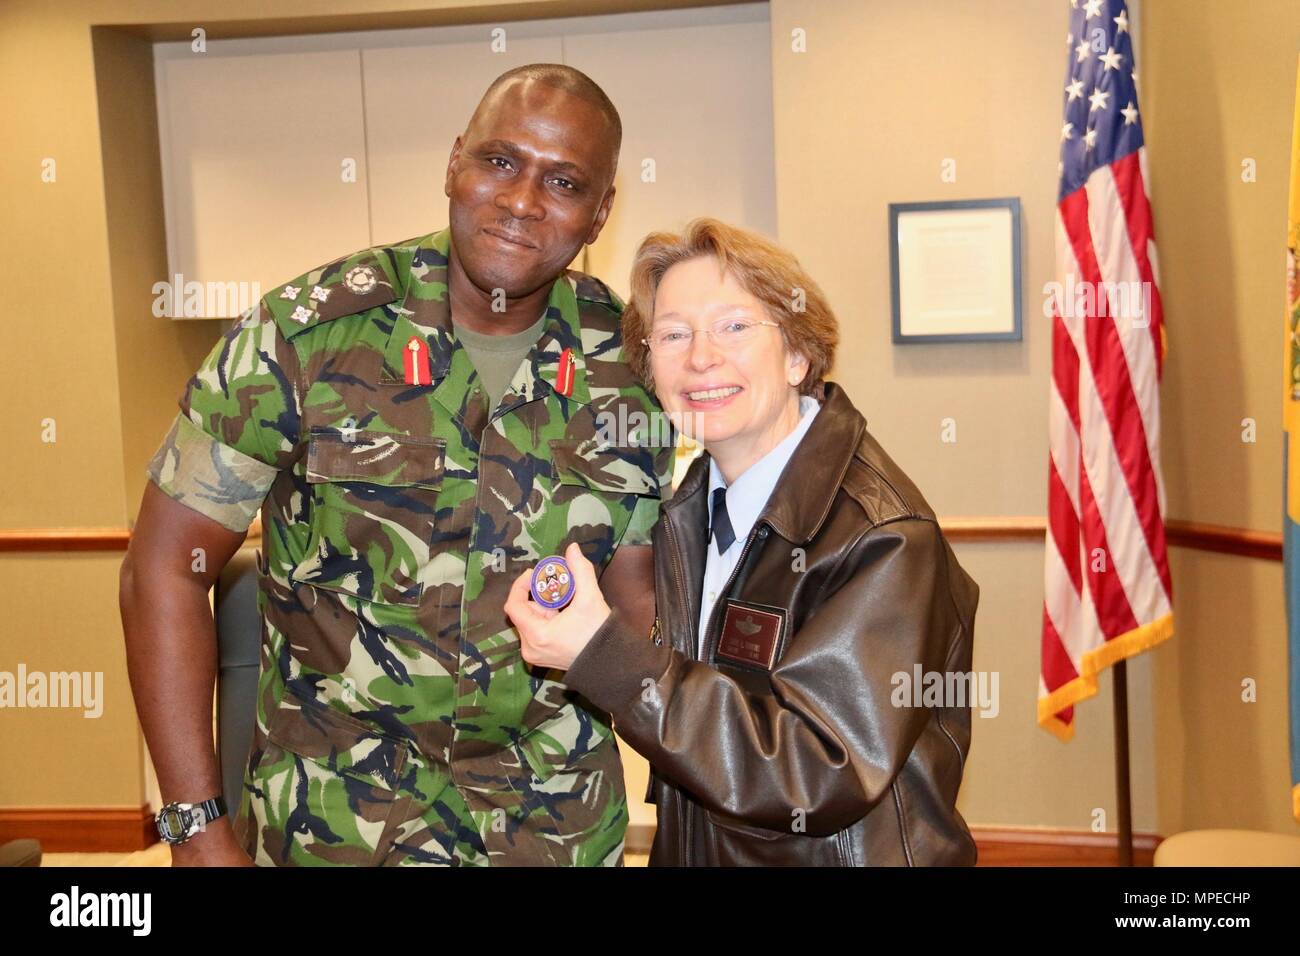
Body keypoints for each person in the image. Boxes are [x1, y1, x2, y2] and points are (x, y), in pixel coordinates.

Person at [119, 64, 673, 867]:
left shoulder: (634, 363)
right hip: (334, 828)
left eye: (564, 181)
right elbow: (163, 569)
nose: (522, 201)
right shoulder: (305, 335)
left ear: (600, 213)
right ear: (454, 163)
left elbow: (640, 602)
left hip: (548, 828)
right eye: (499, 161)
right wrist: (196, 829)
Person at [506, 218, 980, 866]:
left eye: (733, 326)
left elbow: (816, 767)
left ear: (796, 353)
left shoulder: (882, 538)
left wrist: (604, 655)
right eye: (673, 334)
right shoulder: (692, 505)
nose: (701, 357)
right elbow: (701, 727)